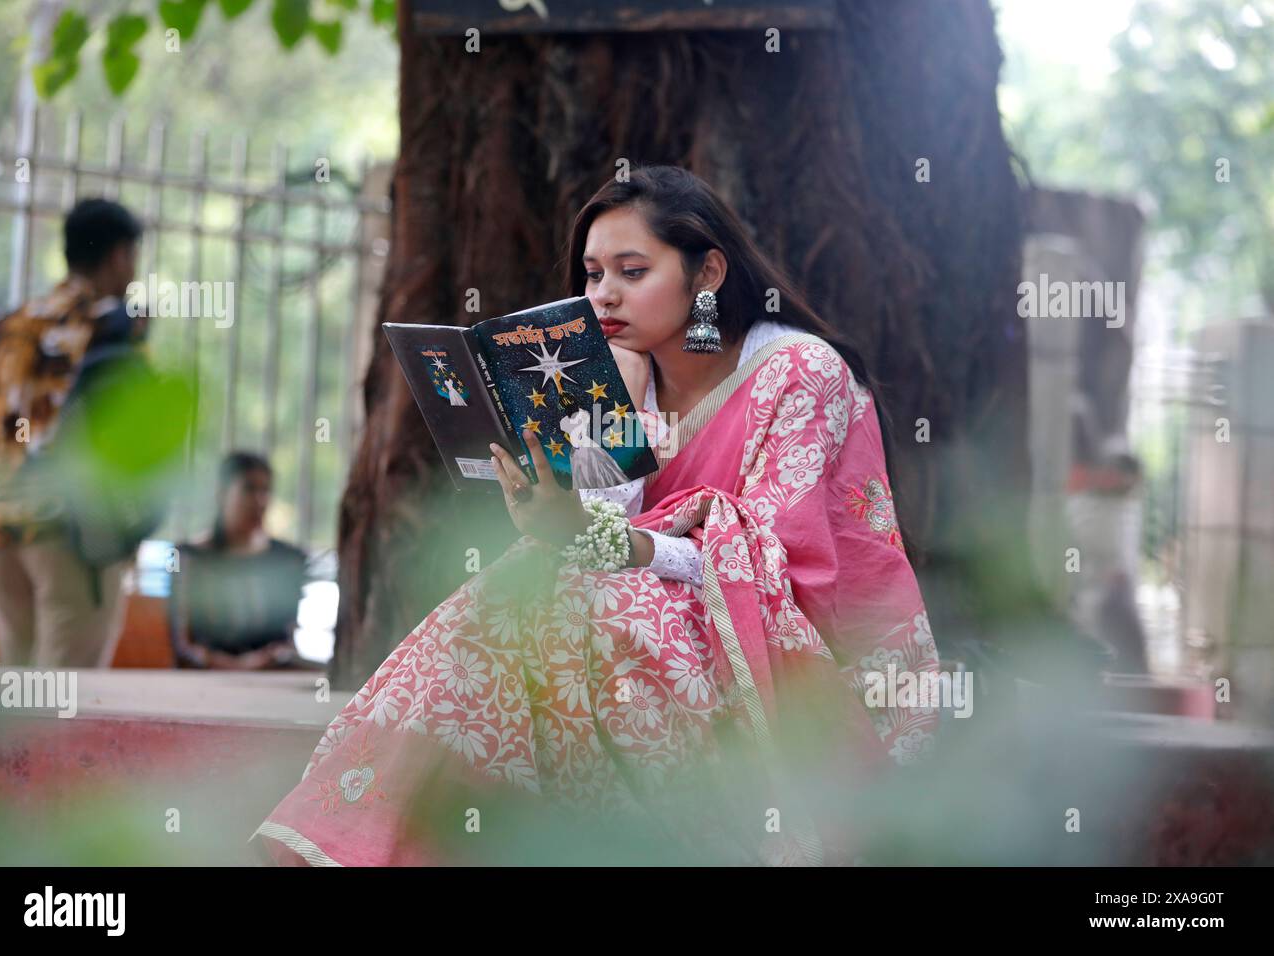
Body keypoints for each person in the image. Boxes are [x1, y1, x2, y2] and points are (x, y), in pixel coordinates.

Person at [253, 165, 941, 866]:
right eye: (591, 273)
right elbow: (595, 544)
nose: (602, 295)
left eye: (631, 271)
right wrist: (596, 457)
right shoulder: (617, 371)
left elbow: (765, 568)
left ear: (707, 274)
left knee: (599, 611)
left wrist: (612, 548)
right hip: (654, 612)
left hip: (801, 658)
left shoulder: (801, 374)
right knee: (525, 593)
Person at [0, 198, 144, 667]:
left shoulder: (6, 327)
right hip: (74, 531)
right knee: (68, 704)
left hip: (2, 528)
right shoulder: (116, 324)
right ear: (119, 256)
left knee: (21, 701)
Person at [167, 452, 312, 670]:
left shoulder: (288, 559)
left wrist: (268, 660)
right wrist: (238, 665)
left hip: (273, 683)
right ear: (221, 493)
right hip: (205, 685)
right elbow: (183, 648)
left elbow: (288, 641)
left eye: (265, 491)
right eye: (249, 489)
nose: (260, 501)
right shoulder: (186, 558)